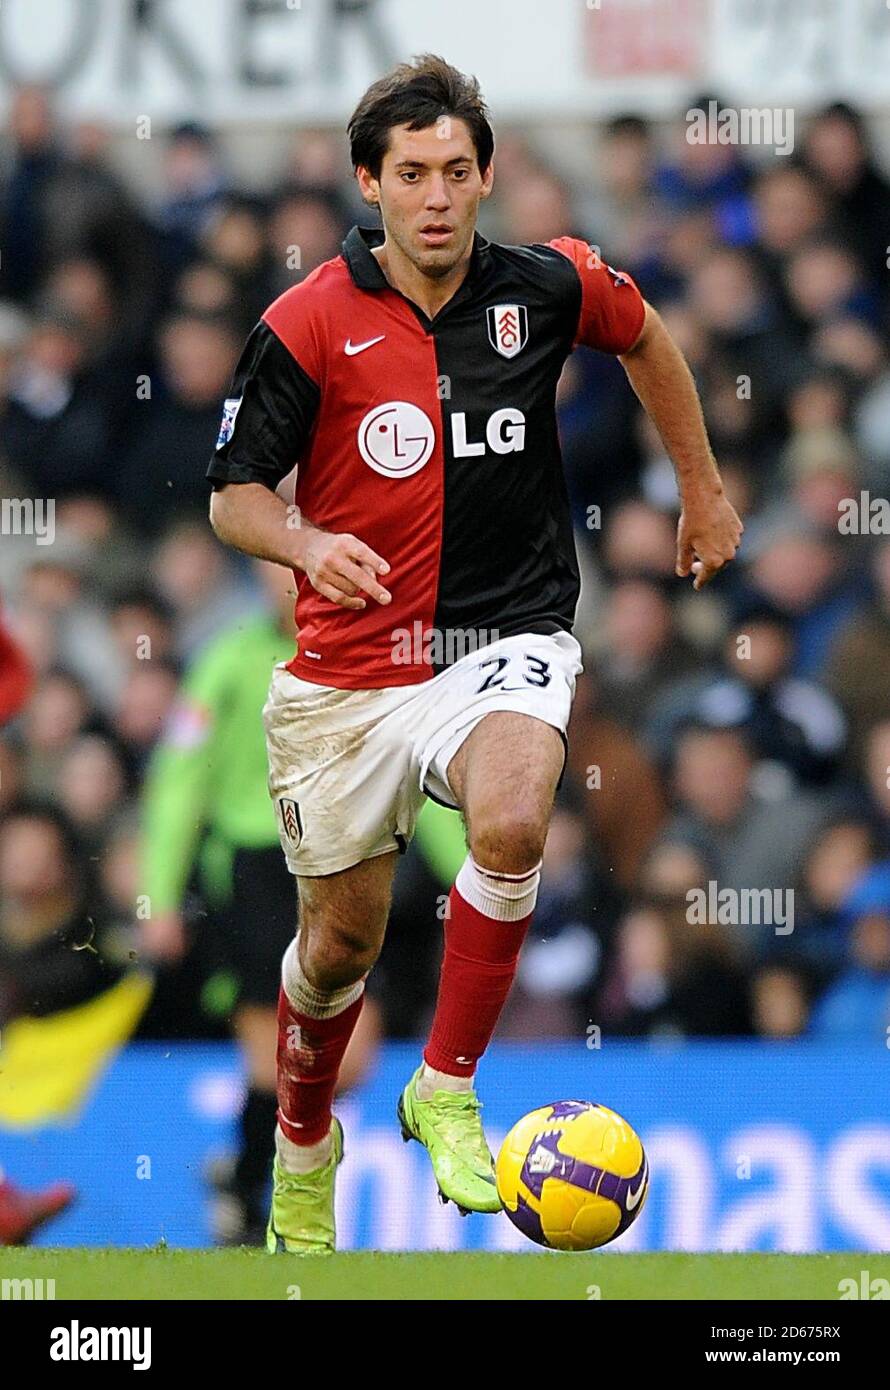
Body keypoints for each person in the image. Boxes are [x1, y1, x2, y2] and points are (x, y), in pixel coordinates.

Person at [207, 54, 742, 1254]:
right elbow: (233, 497)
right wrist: (305, 540)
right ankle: (302, 1145)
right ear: (370, 184)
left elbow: (648, 339)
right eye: (411, 174)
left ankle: (444, 1082)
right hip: (348, 671)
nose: (437, 195)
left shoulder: (545, 286)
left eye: (457, 170)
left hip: (503, 634)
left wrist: (701, 494)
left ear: (487, 176)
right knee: (334, 949)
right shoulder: (306, 323)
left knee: (510, 822)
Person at [139, 560, 381, 1242]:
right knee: (279, 1055)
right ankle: (255, 1201)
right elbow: (179, 781)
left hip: (346, 866)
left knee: (346, 1060)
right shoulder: (230, 661)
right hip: (253, 874)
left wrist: (475, 875)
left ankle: (244, 1166)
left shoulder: (365, 653)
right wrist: (157, 898)